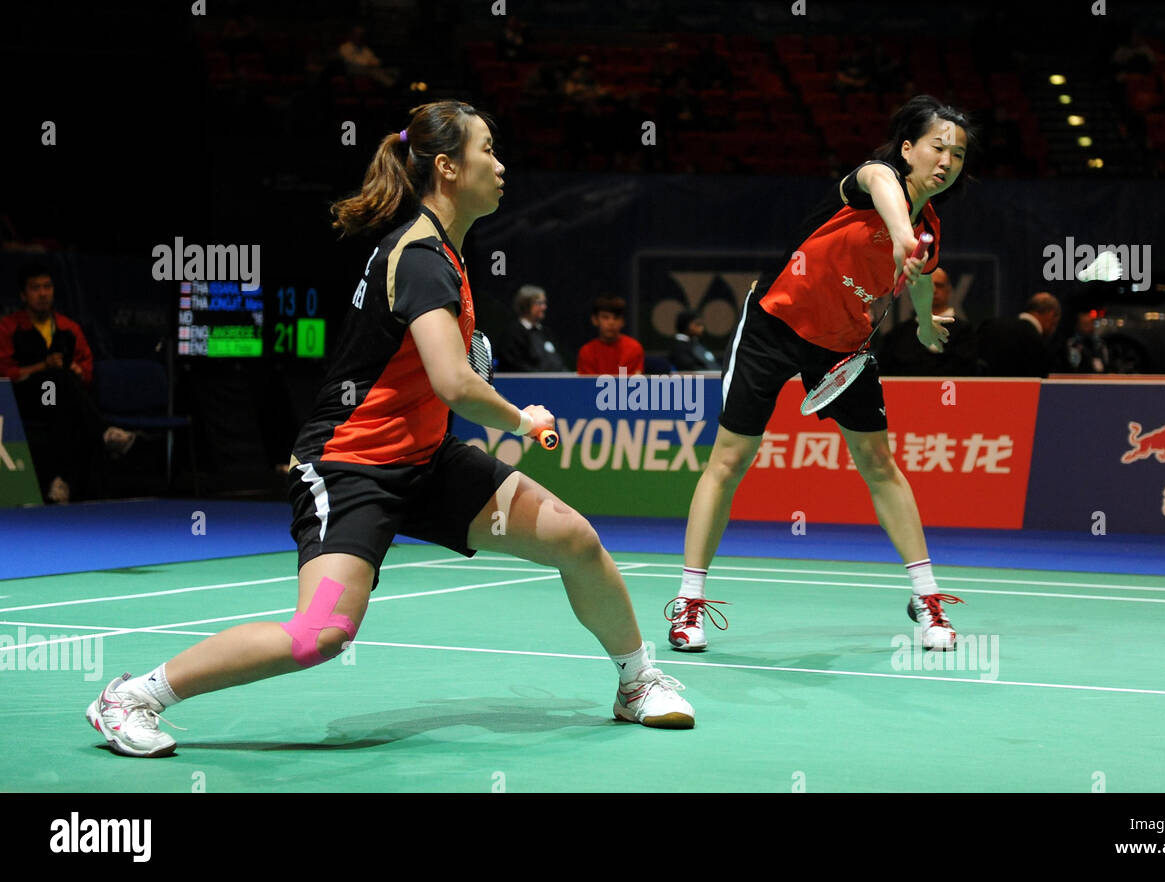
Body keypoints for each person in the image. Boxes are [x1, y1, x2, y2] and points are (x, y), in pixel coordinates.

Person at [84, 101, 694, 758]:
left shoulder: (449, 256)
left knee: (574, 539)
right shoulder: (421, 257)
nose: (501, 163)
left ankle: (636, 681)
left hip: (426, 459)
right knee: (319, 635)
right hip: (350, 466)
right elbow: (454, 382)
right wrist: (522, 419)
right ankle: (133, 696)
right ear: (448, 166)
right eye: (488, 149)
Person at [666, 95, 974, 654]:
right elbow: (884, 193)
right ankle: (689, 603)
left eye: (957, 154)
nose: (947, 161)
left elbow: (924, 275)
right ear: (909, 149)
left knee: (880, 463)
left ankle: (926, 600)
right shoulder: (876, 177)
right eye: (937, 147)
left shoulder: (930, 225)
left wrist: (926, 324)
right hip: (773, 324)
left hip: (842, 348)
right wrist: (902, 233)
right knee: (729, 461)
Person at [0, 262, 133, 503]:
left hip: (56, 400)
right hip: (24, 398)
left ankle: (60, 483)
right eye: (35, 288)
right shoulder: (8, 327)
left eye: (47, 287)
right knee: (59, 380)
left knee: (63, 392)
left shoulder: (68, 327)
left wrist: (79, 371)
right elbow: (5, 373)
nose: (43, 293)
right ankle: (104, 432)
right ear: (23, 295)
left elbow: (88, 369)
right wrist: (43, 367)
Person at [876, 266, 977, 375]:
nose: (933, 290)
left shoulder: (965, 332)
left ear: (949, 290)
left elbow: (967, 370)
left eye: (939, 285)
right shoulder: (898, 333)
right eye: (927, 286)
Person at [976, 292, 1060, 377]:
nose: (1054, 329)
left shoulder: (989, 326)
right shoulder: (1038, 343)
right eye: (1056, 323)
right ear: (1051, 314)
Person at [496, 285, 567, 372]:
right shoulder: (512, 334)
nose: (544, 307)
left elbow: (557, 363)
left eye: (544, 303)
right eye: (539, 303)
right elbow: (514, 366)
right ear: (525, 304)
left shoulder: (545, 332)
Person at [576, 296, 644, 375]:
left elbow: (633, 384)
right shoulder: (586, 352)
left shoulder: (634, 349)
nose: (611, 322)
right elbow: (588, 385)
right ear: (595, 320)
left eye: (616, 318)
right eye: (605, 317)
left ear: (622, 321)